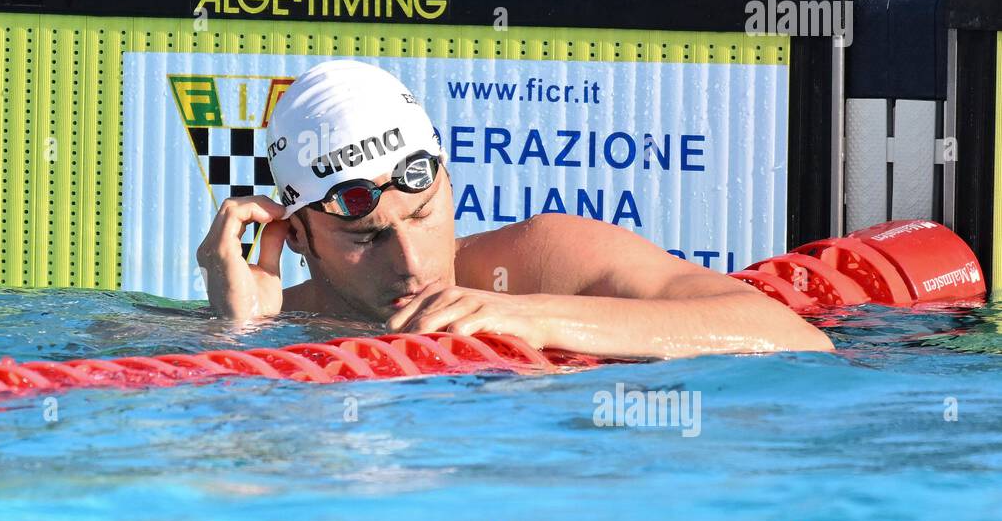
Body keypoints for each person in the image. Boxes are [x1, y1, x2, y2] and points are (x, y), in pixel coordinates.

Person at [195, 60, 834, 358]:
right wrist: (240, 332)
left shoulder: (541, 259)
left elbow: (795, 339)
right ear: (297, 237)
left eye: (422, 214)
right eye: (365, 237)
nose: (413, 265)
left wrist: (525, 315)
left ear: (446, 182)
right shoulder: (277, 323)